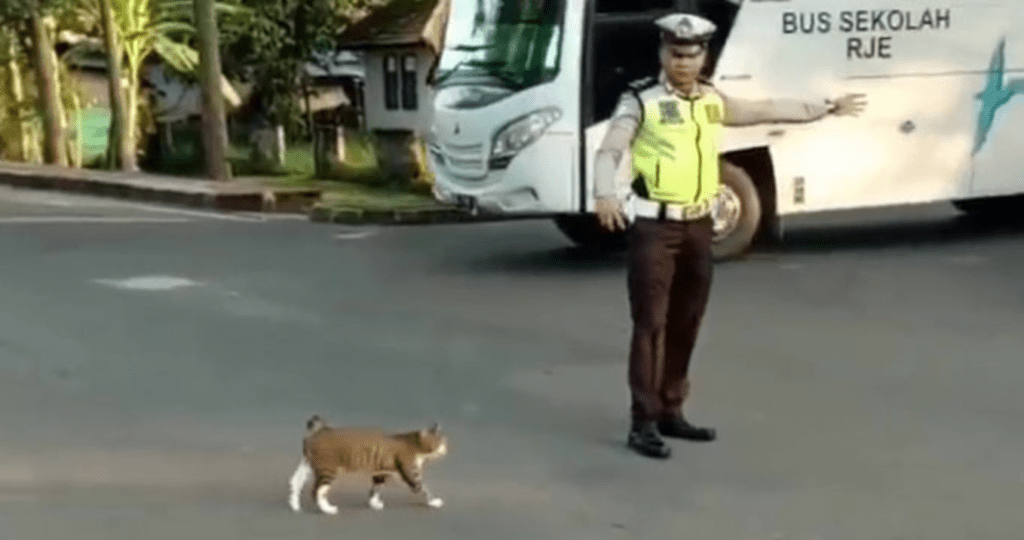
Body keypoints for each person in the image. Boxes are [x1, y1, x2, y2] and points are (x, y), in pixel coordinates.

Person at [593, 13, 867, 459]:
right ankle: (642, 421)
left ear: (705, 57)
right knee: (651, 325)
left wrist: (825, 106)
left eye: (692, 54)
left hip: (700, 225)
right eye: (675, 54)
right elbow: (609, 150)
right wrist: (604, 193)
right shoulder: (640, 101)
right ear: (663, 54)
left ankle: (670, 410)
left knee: (688, 321)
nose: (683, 62)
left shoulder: (710, 101)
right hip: (655, 227)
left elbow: (766, 109)